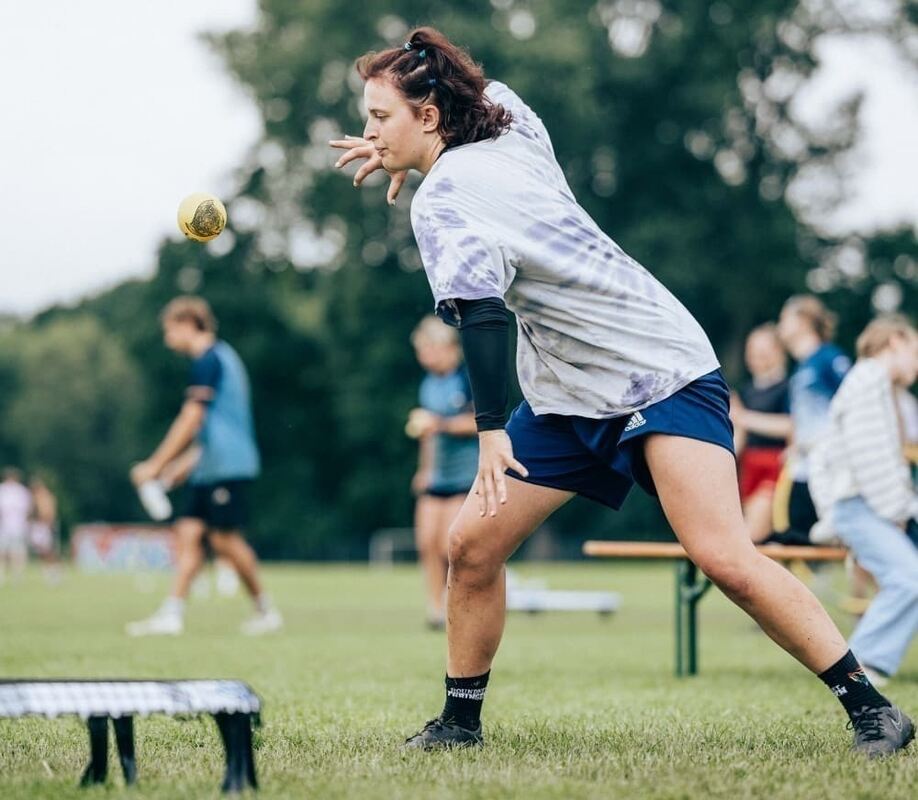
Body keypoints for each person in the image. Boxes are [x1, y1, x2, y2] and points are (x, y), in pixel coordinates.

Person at [330, 26, 913, 756]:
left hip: (655, 368)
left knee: (723, 555)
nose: (367, 131)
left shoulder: (441, 202)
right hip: (569, 392)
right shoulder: (510, 123)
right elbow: (482, 95)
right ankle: (459, 724)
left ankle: (873, 710)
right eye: (366, 118)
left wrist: (488, 431)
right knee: (473, 547)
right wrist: (404, 147)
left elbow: (480, 318)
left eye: (379, 116)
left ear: (431, 116)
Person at [126, 296, 282, 636]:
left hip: (228, 465)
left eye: (169, 330)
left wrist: (155, 464)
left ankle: (266, 610)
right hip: (209, 465)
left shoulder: (209, 360)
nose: (167, 339)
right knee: (188, 534)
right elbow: (210, 427)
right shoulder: (217, 358)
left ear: (186, 324)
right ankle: (172, 614)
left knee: (225, 541)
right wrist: (181, 466)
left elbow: (192, 417)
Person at [809, 316, 918, 687]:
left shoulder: (872, 383)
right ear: (895, 342)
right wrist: (899, 512)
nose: (916, 363)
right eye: (914, 351)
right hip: (860, 506)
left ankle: (868, 663)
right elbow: (871, 456)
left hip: (862, 504)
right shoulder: (869, 381)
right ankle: (862, 666)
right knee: (908, 579)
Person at [408, 315, 479, 629]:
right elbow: (428, 435)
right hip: (437, 475)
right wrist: (423, 470)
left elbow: (480, 423)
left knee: (447, 546)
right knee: (426, 542)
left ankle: (457, 606)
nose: (423, 357)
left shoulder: (467, 378)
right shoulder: (428, 384)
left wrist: (442, 425)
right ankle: (434, 609)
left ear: (445, 347)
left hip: (465, 475)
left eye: (426, 349)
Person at [771, 295, 851, 545]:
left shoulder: (829, 358)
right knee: (798, 534)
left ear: (804, 320)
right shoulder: (799, 371)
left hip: (831, 466)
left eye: (785, 317)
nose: (779, 325)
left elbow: (852, 403)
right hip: (804, 467)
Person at [730, 325, 792, 542]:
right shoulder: (747, 391)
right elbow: (740, 436)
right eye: (752, 352)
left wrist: (745, 418)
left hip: (775, 467)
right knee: (754, 537)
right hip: (749, 467)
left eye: (762, 352)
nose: (756, 358)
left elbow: (791, 426)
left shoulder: (789, 388)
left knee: (752, 534)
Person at [0, 468, 32, 584]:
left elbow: (28, 509)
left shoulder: (21, 491)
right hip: (5, 526)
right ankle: (3, 575)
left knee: (17, 552)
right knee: (3, 551)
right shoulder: (2, 490)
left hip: (18, 526)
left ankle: (17, 575)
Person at [29, 475, 61, 584]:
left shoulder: (46, 497)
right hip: (38, 525)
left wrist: (48, 524)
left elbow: (49, 513)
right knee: (41, 550)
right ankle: (47, 571)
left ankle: (55, 571)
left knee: (48, 550)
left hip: (44, 525)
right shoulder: (35, 497)